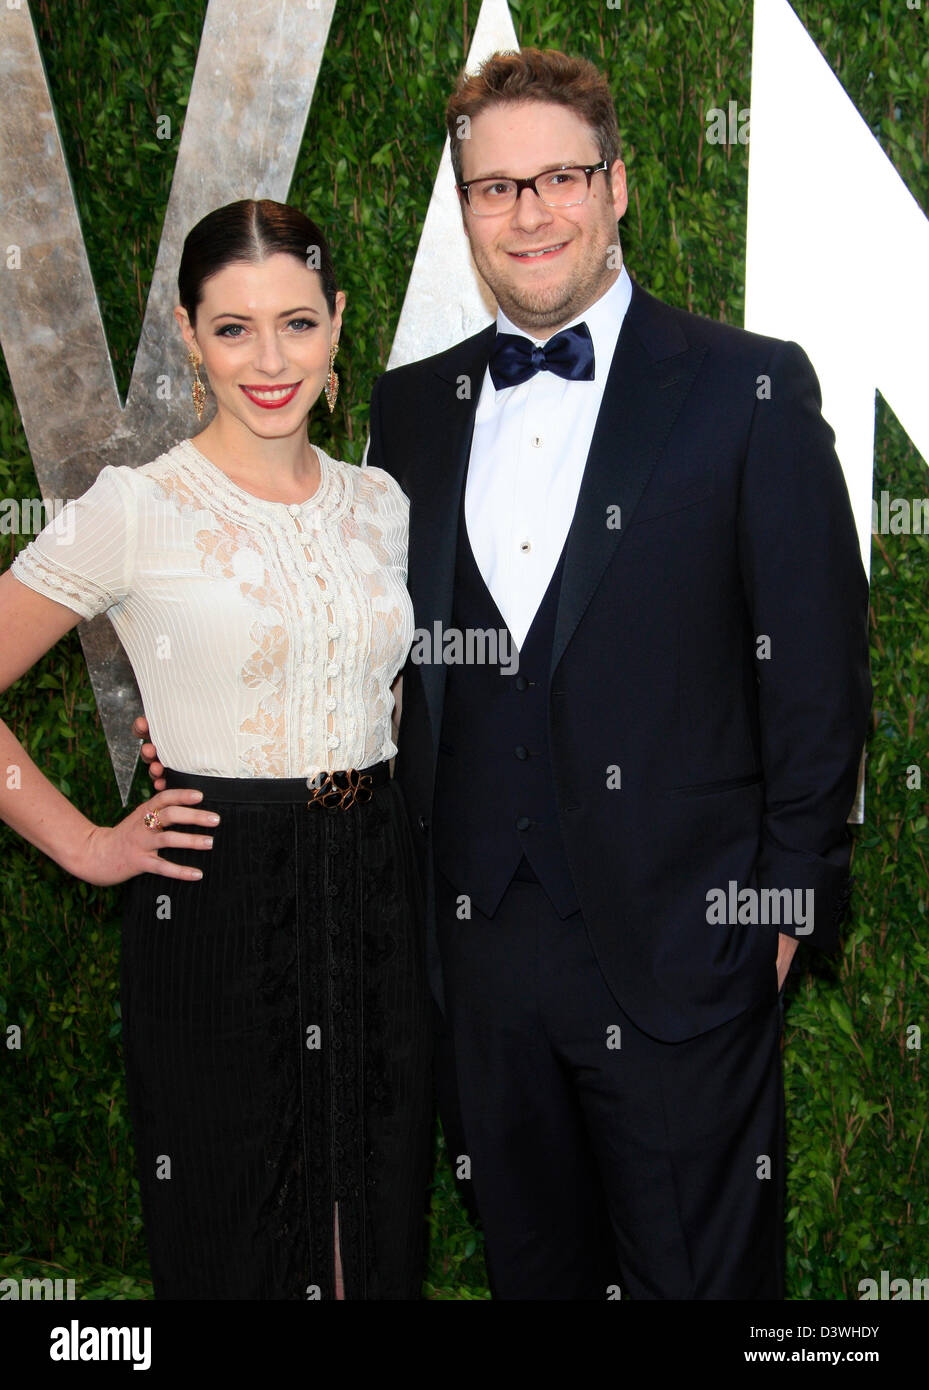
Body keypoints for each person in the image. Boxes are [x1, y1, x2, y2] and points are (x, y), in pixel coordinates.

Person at [363, 48, 872, 1299]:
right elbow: (376, 652)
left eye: (558, 177)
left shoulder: (745, 387)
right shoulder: (408, 409)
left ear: (617, 186)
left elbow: (814, 669)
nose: (528, 211)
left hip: (684, 950)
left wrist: (779, 910)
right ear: (465, 207)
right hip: (480, 965)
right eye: (494, 188)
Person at [0, 199, 431, 1300]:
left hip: (376, 892)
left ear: (338, 322)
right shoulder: (137, 510)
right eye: (232, 328)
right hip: (218, 898)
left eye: (296, 321)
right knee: (235, 1219)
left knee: (371, 1215)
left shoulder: (379, 505)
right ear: (189, 338)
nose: (269, 358)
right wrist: (88, 844)